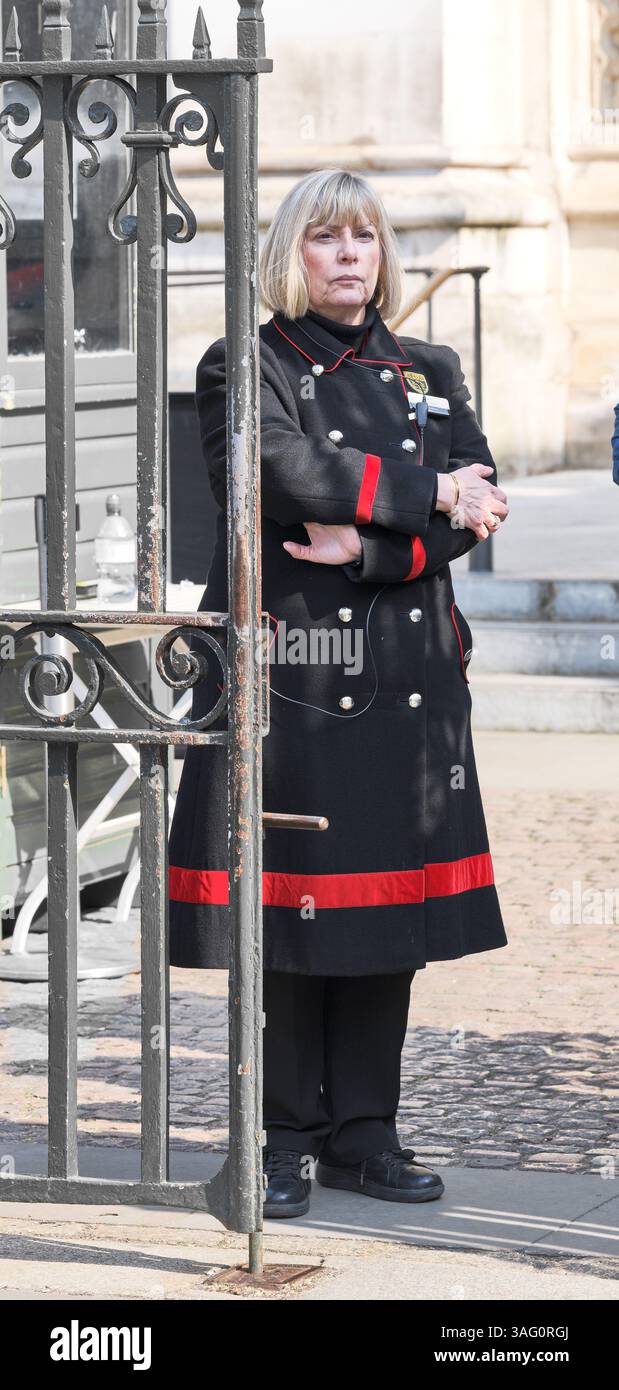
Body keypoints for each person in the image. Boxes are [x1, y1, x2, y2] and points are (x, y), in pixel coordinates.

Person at [168, 168, 510, 1219]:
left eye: (364, 236)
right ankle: (281, 1139)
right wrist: (424, 493)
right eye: (327, 238)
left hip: (408, 679)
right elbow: (279, 469)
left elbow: (480, 506)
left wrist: (379, 545)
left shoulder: (429, 366)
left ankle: (367, 1132)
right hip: (301, 675)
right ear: (293, 253)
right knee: (293, 916)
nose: (350, 254)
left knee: (388, 917)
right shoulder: (248, 358)